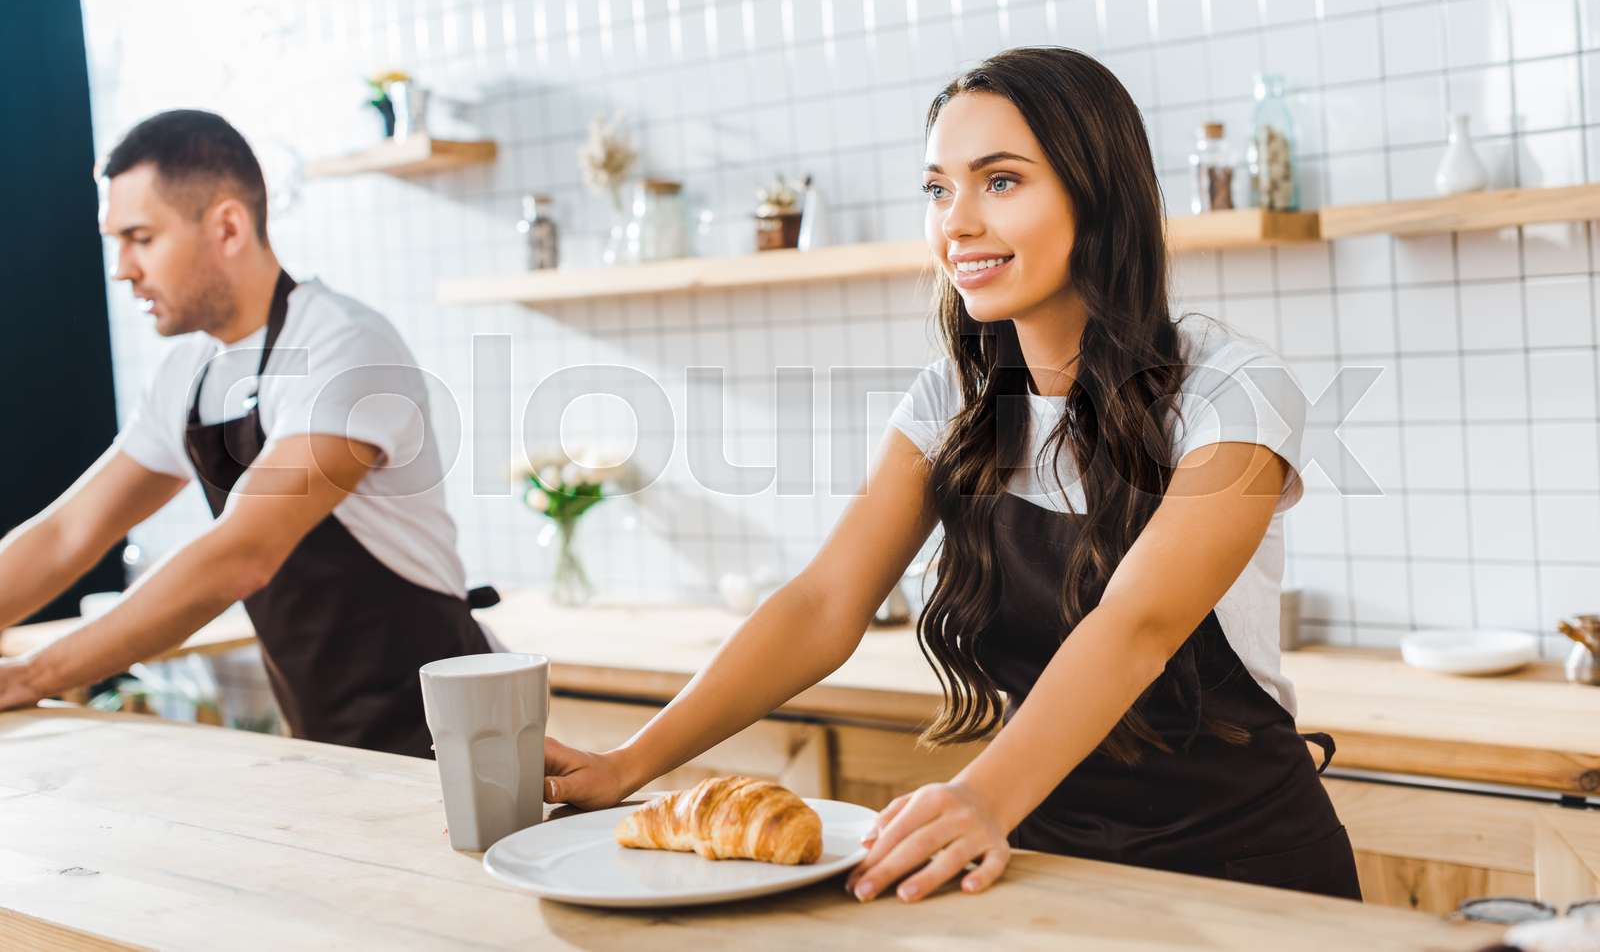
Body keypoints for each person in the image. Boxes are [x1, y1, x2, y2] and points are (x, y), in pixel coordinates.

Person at [536, 48, 1361, 902]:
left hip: (1246, 875)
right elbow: (825, 603)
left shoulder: (1231, 392)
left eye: (1000, 181)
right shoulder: (954, 402)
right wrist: (628, 763)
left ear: (1099, 194)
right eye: (938, 189)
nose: (955, 223)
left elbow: (1137, 628)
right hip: (1045, 862)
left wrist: (979, 795)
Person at [0, 109, 495, 757]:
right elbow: (68, 533)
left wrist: (31, 675)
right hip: (327, 744)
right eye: (114, 241)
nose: (121, 269)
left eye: (141, 237)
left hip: (453, 740)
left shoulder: (344, 346)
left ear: (229, 226)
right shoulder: (190, 372)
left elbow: (242, 553)